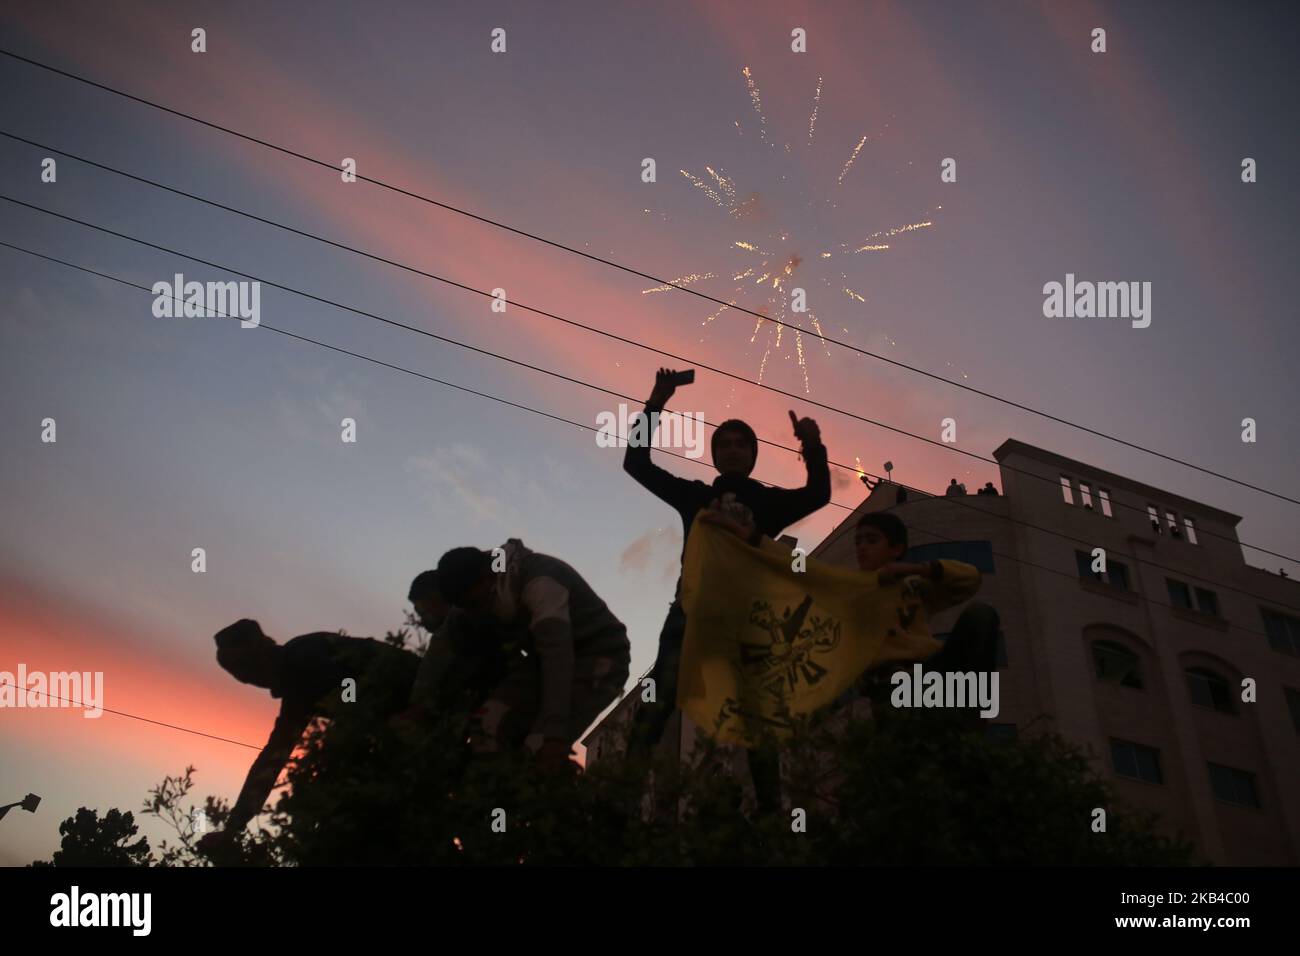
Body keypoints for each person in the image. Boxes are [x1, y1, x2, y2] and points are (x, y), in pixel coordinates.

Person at [623, 367, 831, 757]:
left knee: (759, 717)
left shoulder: (769, 502)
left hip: (750, 617)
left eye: (741, 444)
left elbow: (818, 493)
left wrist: (812, 444)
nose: (733, 449)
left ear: (752, 455)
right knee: (659, 696)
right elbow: (636, 463)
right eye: (725, 444)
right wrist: (656, 402)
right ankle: (623, 788)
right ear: (715, 455)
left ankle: (767, 797)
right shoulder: (695, 496)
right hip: (692, 610)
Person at [196, 619, 418, 855]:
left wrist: (352, 719)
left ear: (260, 659)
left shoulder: (303, 655)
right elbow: (273, 758)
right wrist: (233, 828)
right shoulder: (295, 694)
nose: (252, 681)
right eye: (243, 677)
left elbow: (348, 681)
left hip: (418, 690)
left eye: (247, 673)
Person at [435, 541, 631, 770]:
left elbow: (557, 655)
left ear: (486, 578)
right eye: (464, 607)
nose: (473, 613)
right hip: (540, 660)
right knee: (484, 727)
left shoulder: (541, 582)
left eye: (474, 604)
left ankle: (548, 781)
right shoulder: (470, 593)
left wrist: (554, 734)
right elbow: (441, 643)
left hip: (600, 657)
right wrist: (419, 705)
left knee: (539, 748)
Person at [402, 569, 517, 720]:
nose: (423, 620)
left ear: (438, 600)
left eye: (423, 612)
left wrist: (417, 708)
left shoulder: (458, 624)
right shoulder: (466, 620)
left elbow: (430, 672)